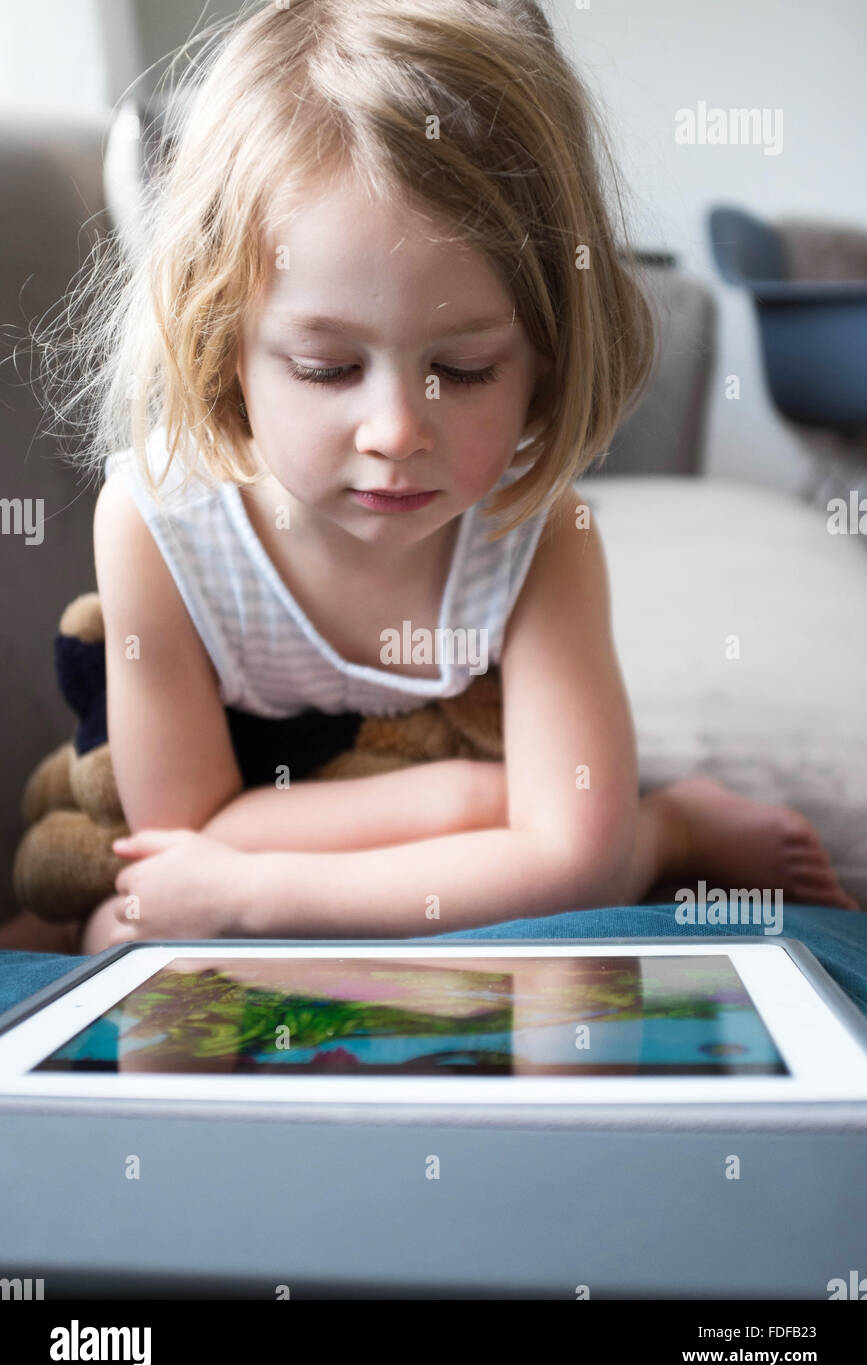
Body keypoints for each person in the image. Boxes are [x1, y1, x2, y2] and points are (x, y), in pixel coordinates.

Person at [9, 0, 857, 957]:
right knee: (110, 932)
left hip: (398, 794)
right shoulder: (158, 518)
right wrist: (483, 807)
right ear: (221, 342)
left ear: (545, 353)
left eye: (463, 371)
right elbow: (183, 841)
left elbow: (572, 862)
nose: (396, 432)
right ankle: (660, 826)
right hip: (344, 798)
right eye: (327, 368)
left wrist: (256, 894)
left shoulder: (538, 534)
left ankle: (670, 825)